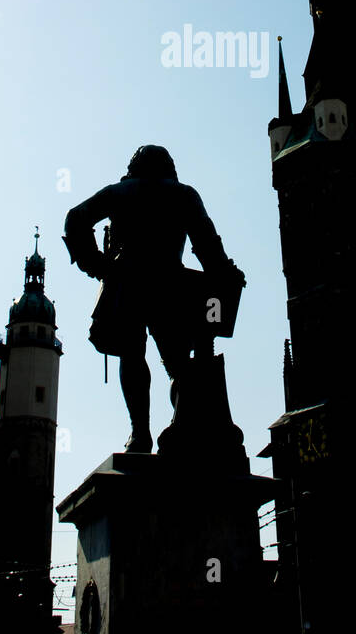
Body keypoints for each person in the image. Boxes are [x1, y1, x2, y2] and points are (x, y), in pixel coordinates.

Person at [63, 145, 244, 452]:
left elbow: (75, 219)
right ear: (168, 167)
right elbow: (206, 242)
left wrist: (95, 264)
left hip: (127, 284)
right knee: (177, 363)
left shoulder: (118, 192)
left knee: (132, 356)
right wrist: (225, 272)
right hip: (169, 284)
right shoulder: (184, 194)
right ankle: (189, 428)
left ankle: (140, 434)